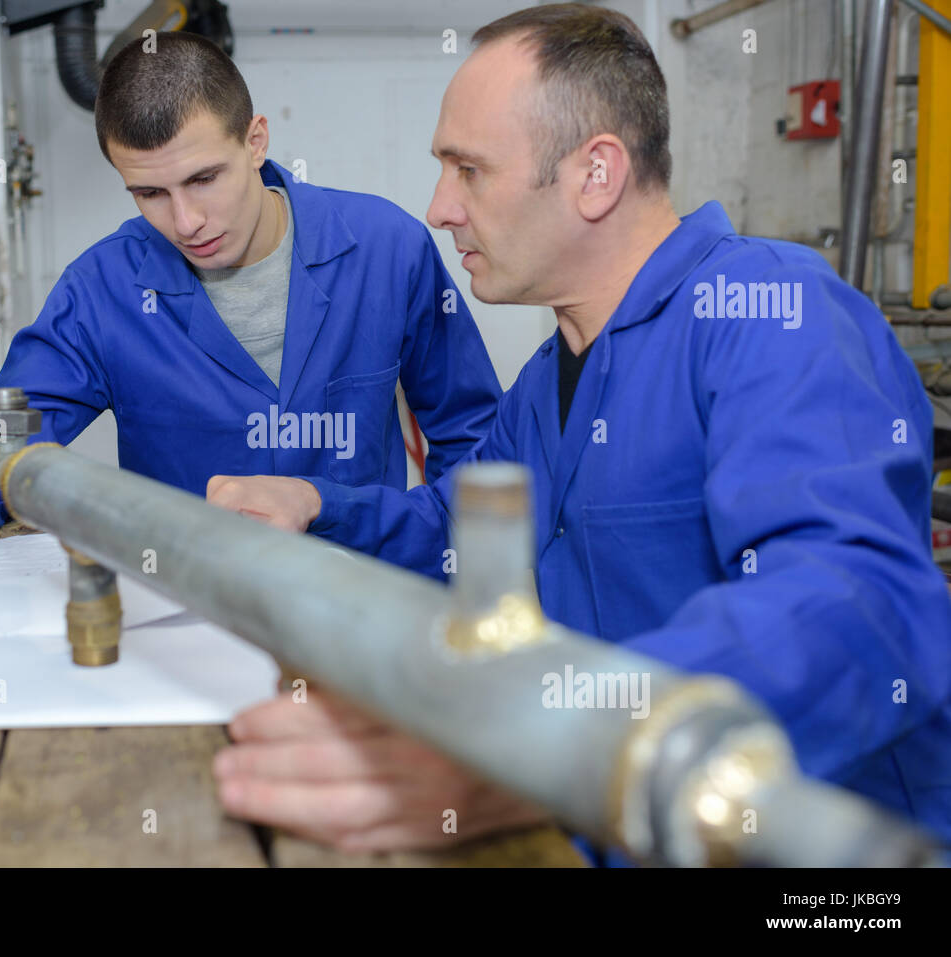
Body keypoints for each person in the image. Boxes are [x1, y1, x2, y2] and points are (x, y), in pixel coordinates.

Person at [206, 4, 951, 857]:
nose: (440, 207)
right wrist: (314, 506)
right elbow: (460, 527)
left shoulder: (770, 316)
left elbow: (856, 604)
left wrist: (546, 744)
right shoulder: (552, 374)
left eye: (469, 170)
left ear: (596, 175)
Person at [0, 31, 500, 594]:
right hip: (187, 616)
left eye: (204, 178)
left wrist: (443, 563)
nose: (186, 221)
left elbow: (473, 438)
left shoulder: (386, 249)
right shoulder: (105, 289)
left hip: (365, 602)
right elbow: (1, 432)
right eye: (148, 194)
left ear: (255, 140)